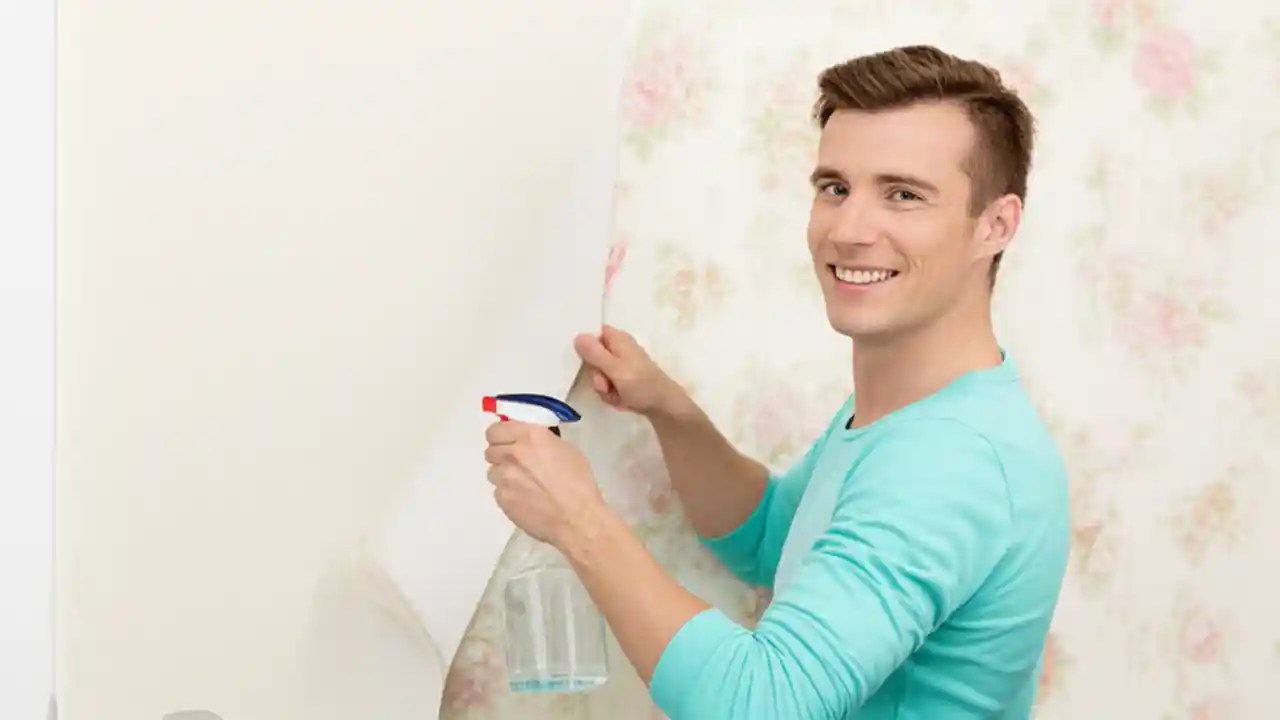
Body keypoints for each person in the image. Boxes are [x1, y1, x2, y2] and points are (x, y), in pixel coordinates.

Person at [483, 44, 1070, 719]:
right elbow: (766, 540)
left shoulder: (948, 460)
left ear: (995, 225)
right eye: (835, 188)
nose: (849, 229)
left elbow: (761, 706)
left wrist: (578, 520)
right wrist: (669, 410)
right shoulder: (914, 412)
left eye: (903, 195)